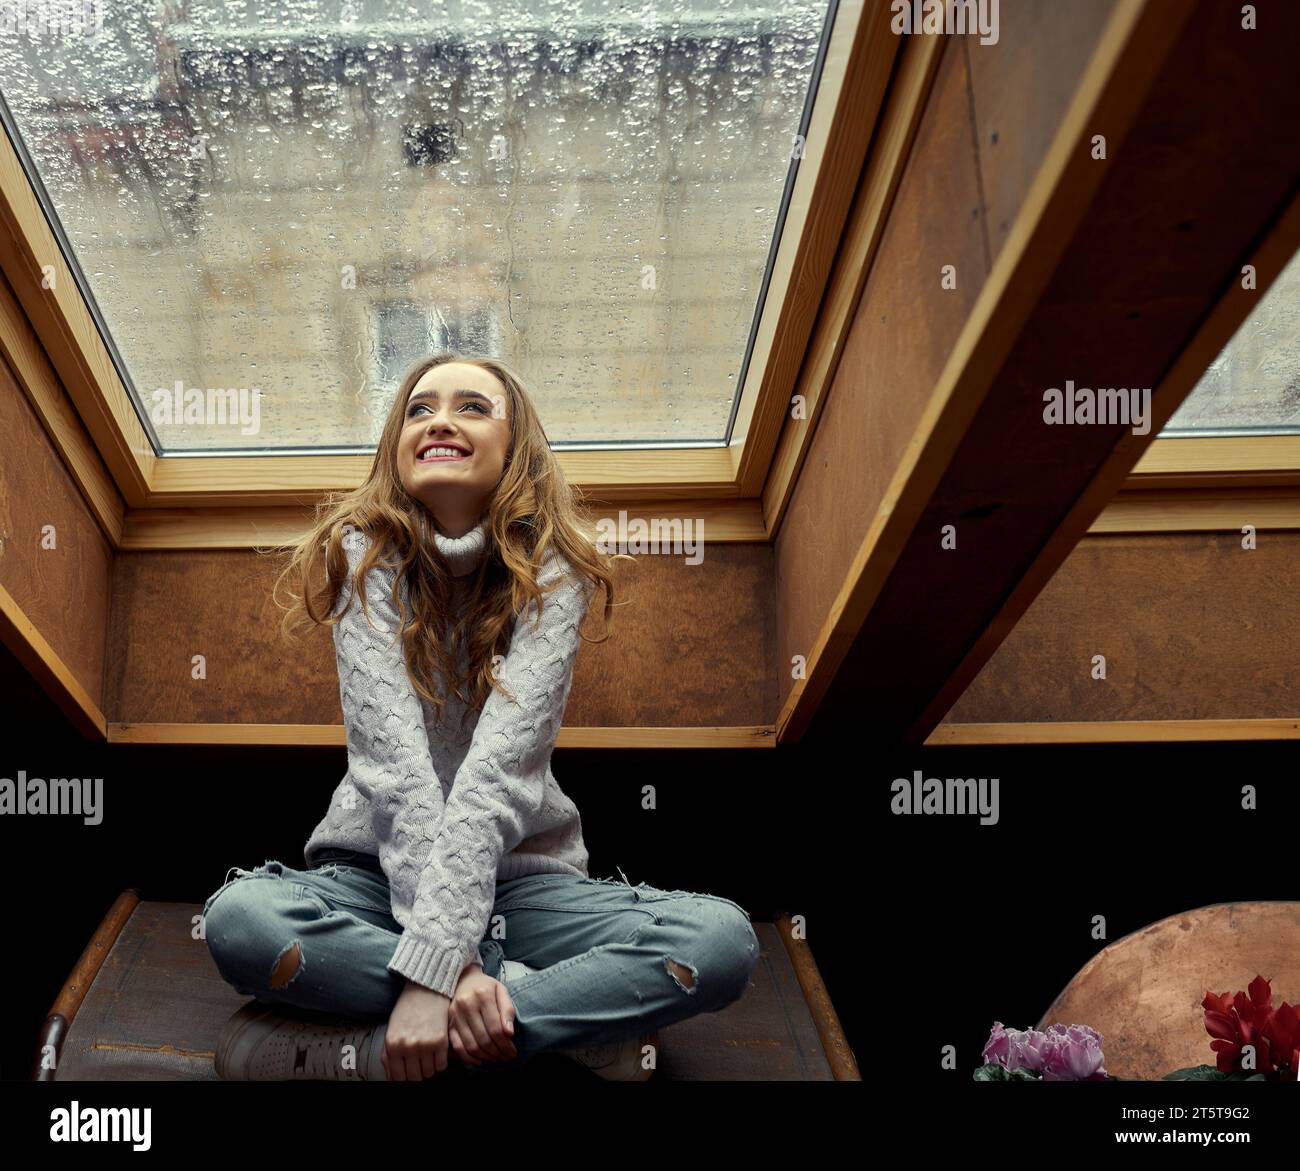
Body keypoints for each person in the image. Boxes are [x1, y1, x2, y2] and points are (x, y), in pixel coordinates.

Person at [200, 352, 761, 1082]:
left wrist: (442, 970)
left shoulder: (553, 570)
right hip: (372, 876)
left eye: (472, 406)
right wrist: (449, 970)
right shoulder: (363, 558)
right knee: (240, 919)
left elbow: (495, 775)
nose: (440, 419)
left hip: (526, 883)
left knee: (721, 940)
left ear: (514, 446)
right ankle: (543, 1022)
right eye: (419, 408)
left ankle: (377, 1048)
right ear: (395, 448)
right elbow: (396, 772)